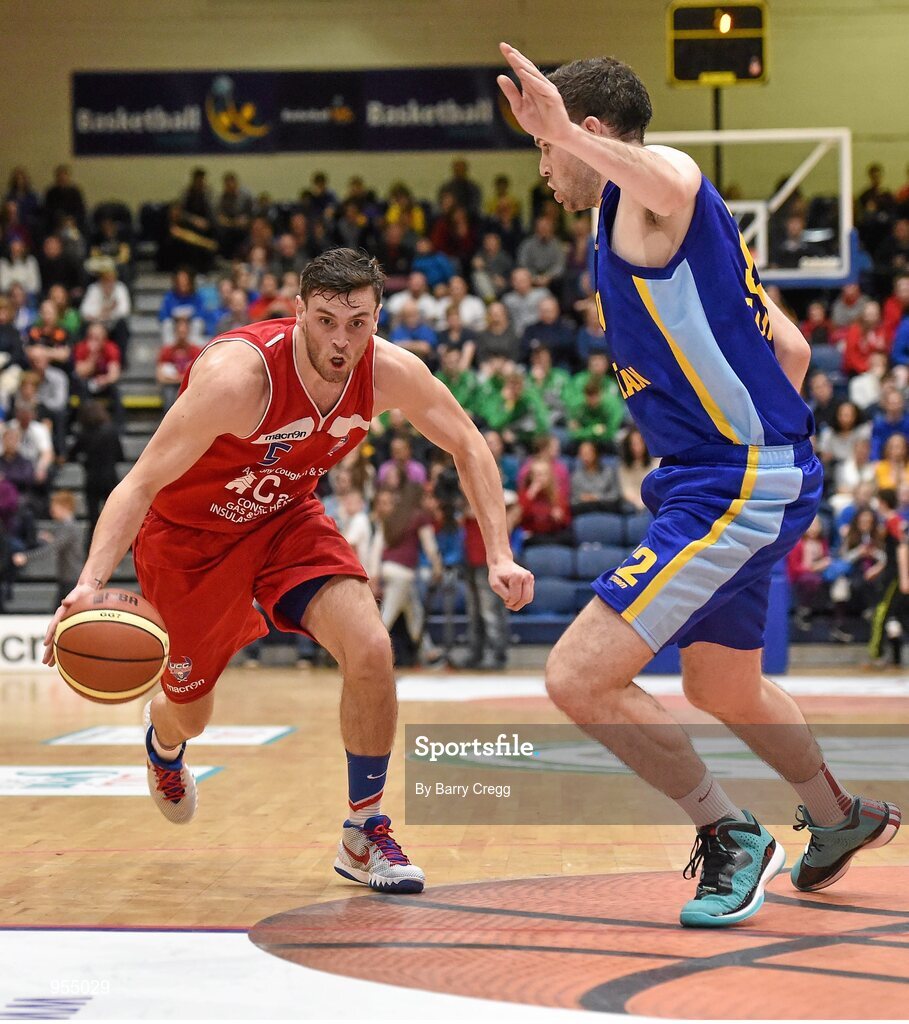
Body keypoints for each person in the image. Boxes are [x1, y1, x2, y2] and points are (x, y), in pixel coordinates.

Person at [498, 42, 899, 928]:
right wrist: (747, 435)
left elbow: (675, 174)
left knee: (577, 676)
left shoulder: (654, 195)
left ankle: (729, 834)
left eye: (545, 144)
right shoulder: (633, 229)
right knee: (722, 686)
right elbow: (790, 349)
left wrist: (743, 455)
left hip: (733, 483)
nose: (544, 165)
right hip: (729, 475)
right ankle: (838, 817)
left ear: (588, 131)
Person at [43, 248, 533, 895]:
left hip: (284, 518)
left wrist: (499, 551)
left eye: (357, 323)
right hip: (189, 543)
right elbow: (139, 483)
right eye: (326, 321)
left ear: (377, 318)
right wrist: (88, 583)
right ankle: (164, 741)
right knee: (191, 713)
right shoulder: (237, 379)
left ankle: (363, 830)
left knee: (371, 646)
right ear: (299, 311)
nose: (341, 341)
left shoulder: (388, 372)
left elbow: (468, 442)